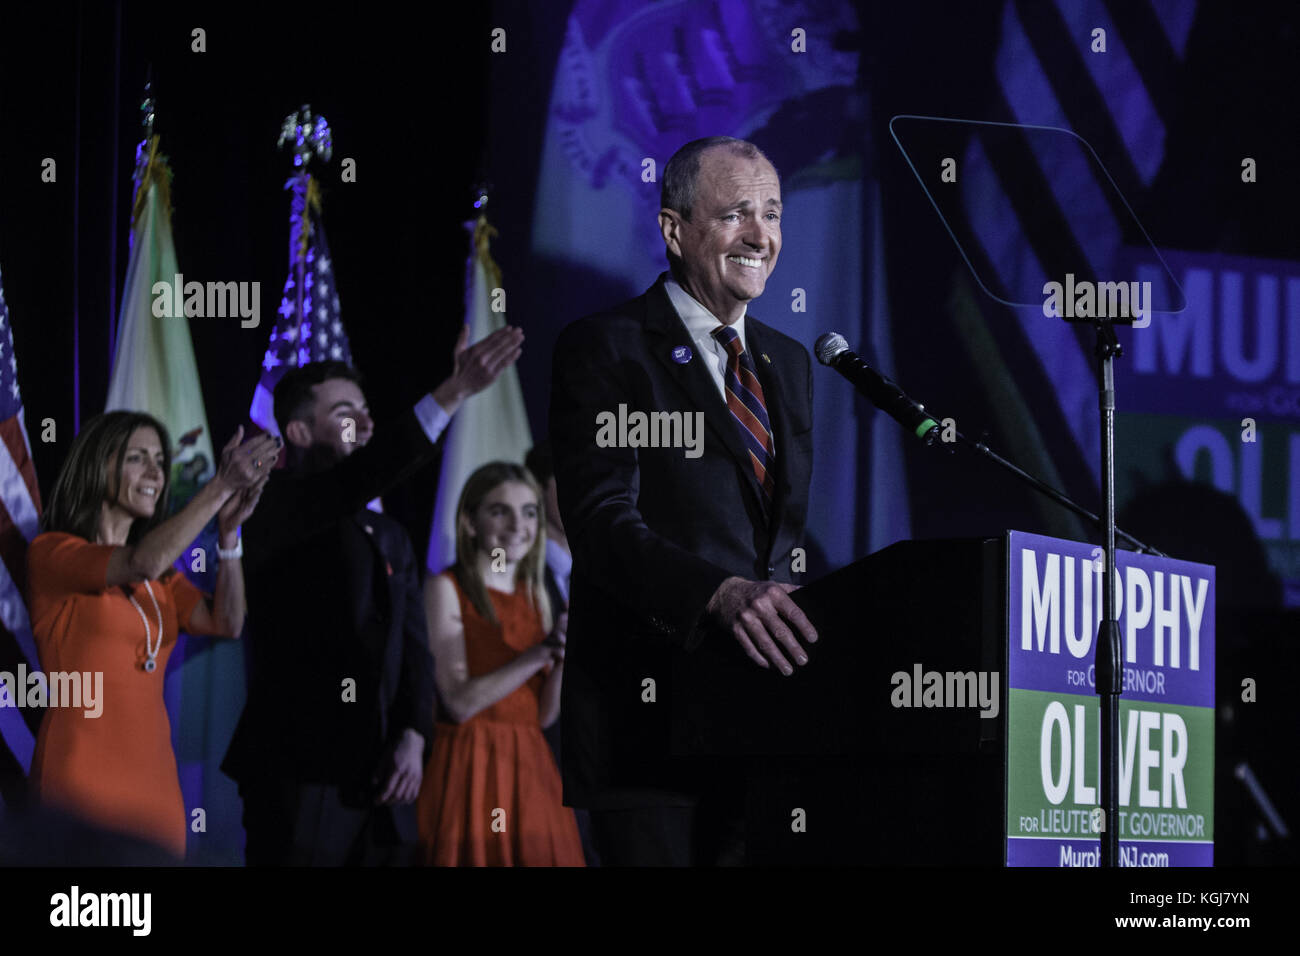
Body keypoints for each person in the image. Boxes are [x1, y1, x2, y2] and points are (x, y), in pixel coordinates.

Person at [548, 136, 819, 865]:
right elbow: (602, 522)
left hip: (759, 726)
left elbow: (780, 539)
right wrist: (720, 595)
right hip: (648, 727)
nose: (760, 236)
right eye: (736, 214)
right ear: (675, 230)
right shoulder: (606, 348)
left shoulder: (789, 365)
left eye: (771, 213)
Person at [221, 324, 523, 865]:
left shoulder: (387, 534)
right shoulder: (270, 506)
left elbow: (415, 648)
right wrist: (451, 392)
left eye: (365, 408)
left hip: (388, 782)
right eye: (344, 412)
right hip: (302, 770)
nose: (364, 421)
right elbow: (356, 481)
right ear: (297, 431)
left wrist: (412, 732)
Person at [27, 410, 276, 859]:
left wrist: (229, 533)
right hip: (80, 779)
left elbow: (228, 622)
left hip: (155, 786)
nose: (155, 473)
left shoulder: (162, 582)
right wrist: (219, 486)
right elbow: (140, 561)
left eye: (160, 461)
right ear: (97, 466)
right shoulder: (54, 553)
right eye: (137, 458)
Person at [416, 462, 584, 866]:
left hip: (530, 771)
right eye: (499, 511)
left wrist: (565, 654)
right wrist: (540, 653)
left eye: (529, 511)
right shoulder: (445, 588)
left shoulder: (537, 597)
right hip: (468, 768)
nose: (517, 525)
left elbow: (542, 716)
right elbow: (458, 702)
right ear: (470, 522)